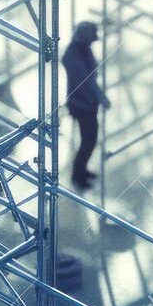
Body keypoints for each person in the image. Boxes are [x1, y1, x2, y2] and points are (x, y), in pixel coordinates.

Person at [61, 20, 107, 188]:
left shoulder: (82, 49)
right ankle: (77, 176)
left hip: (87, 102)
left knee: (89, 140)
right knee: (88, 140)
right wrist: (100, 96)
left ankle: (81, 171)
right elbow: (86, 80)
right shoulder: (73, 54)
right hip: (82, 104)